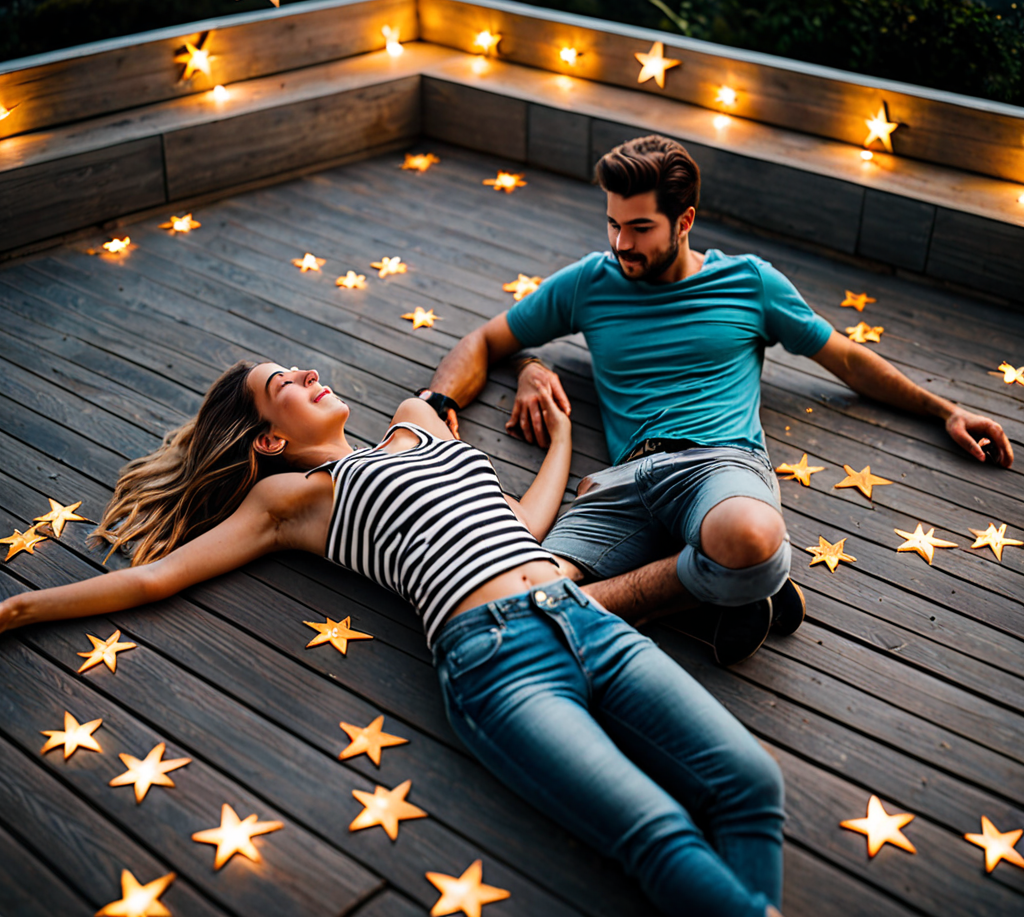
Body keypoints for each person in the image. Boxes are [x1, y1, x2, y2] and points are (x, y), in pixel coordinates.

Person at [0, 361, 785, 917]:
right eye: (287, 387)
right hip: (498, 664)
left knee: (753, 786)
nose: (310, 375)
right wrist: (21, 610)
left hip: (585, 619)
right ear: (269, 439)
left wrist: (560, 444)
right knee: (657, 833)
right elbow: (155, 579)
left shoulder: (416, 428)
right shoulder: (296, 497)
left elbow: (522, 524)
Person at [426, 135, 1013, 665]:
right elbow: (487, 338)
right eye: (612, 224)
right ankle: (730, 585)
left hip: (720, 463)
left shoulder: (749, 283)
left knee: (751, 537)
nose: (620, 244)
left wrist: (947, 410)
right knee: (515, 587)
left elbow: (849, 359)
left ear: (684, 220)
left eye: (640, 228)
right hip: (622, 481)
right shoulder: (591, 280)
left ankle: (711, 578)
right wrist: (474, 386)